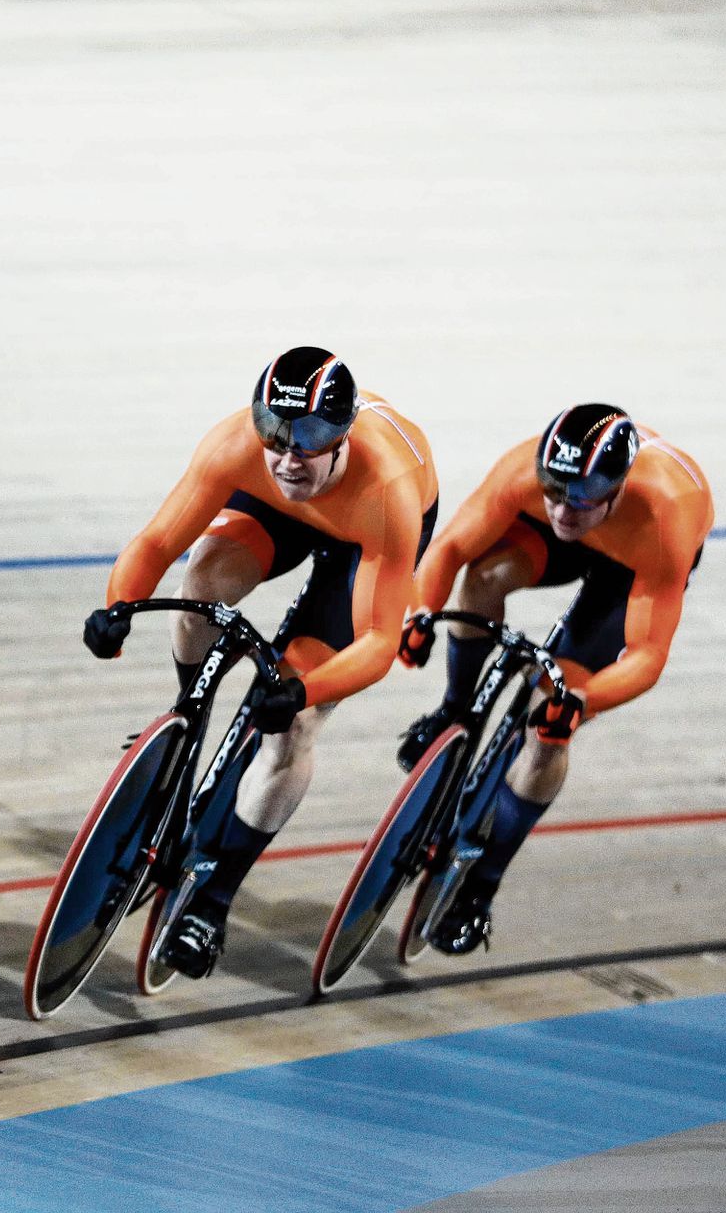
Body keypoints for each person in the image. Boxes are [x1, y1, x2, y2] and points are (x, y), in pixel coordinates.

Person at [83, 348, 438, 978]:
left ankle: (212, 904)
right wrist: (117, 606)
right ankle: (188, 714)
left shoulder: (389, 489)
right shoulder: (238, 446)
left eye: (310, 439)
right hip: (282, 513)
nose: (288, 453)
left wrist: (302, 694)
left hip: (361, 539)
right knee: (201, 583)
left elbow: (380, 643)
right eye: (275, 432)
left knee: (293, 725)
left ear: (343, 437)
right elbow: (158, 542)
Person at [395, 403, 712, 953]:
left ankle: (482, 889)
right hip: (559, 545)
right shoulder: (528, 473)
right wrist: (420, 615)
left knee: (547, 731)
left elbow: (647, 655)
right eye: (554, 489)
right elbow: (449, 549)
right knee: (483, 578)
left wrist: (583, 700)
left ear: (617, 488)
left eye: (583, 496)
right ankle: (455, 711)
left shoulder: (668, 515)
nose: (565, 506)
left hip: (630, 566)